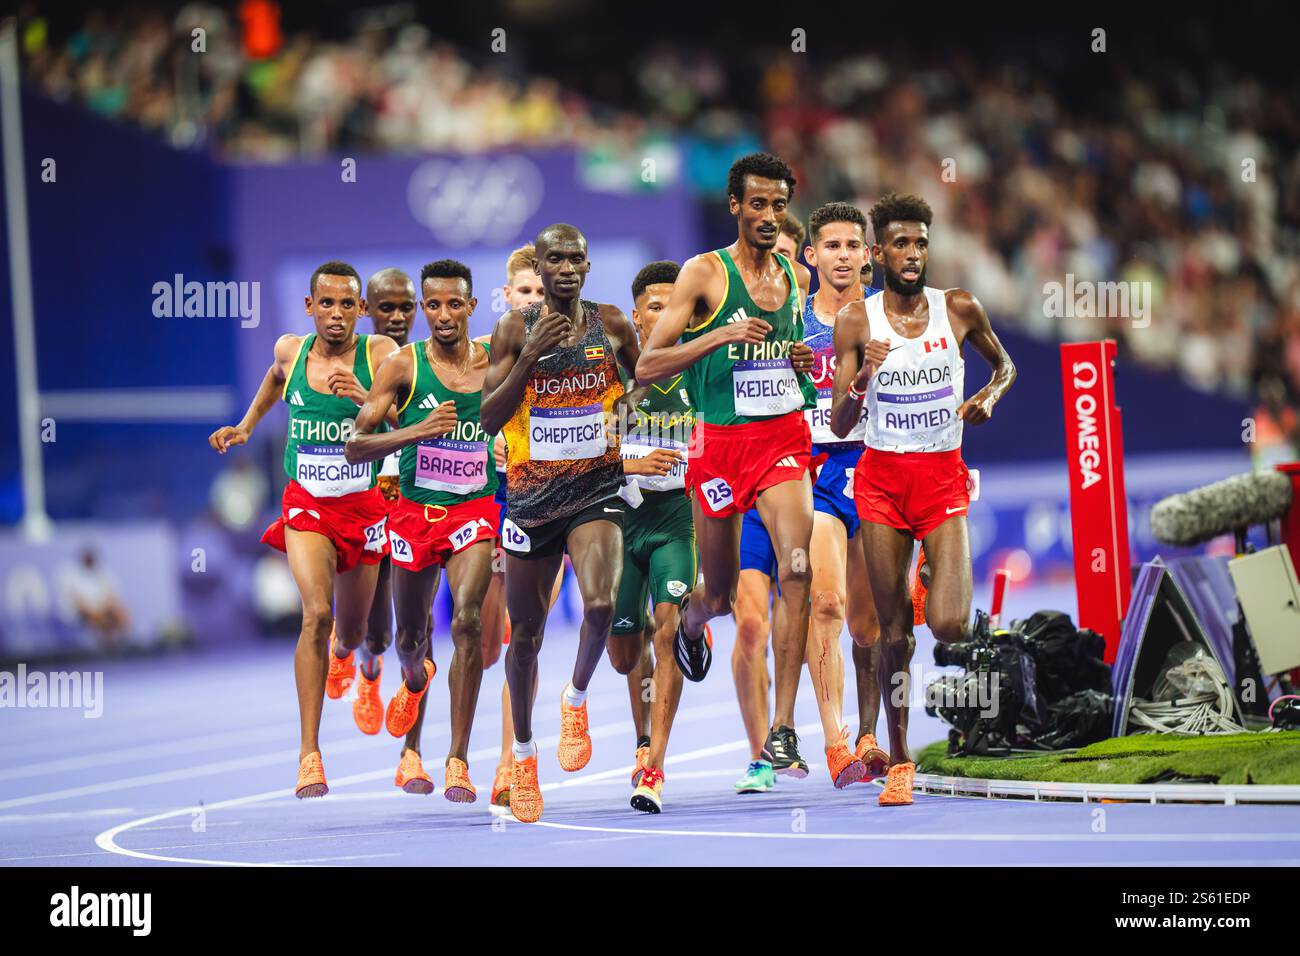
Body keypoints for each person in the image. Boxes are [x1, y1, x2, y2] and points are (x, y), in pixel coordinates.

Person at [830, 193, 1017, 805]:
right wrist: (862, 376)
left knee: (947, 624)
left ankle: (933, 575)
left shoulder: (958, 308)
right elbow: (837, 423)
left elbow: (1006, 366)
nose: (914, 254)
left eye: (922, 243)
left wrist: (988, 397)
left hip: (941, 479)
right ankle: (902, 757)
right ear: (878, 253)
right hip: (882, 480)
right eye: (902, 244)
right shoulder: (857, 322)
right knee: (892, 635)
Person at [637, 152, 818, 778]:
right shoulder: (702, 273)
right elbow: (647, 365)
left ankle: (785, 728)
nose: (769, 216)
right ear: (735, 205)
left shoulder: (794, 276)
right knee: (716, 596)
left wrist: (794, 359)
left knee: (797, 567)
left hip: (782, 440)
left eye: (779, 205)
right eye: (758, 204)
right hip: (720, 448)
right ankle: (691, 624)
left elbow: (783, 352)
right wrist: (719, 334)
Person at [209, 260, 396, 798]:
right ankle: (310, 753)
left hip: (362, 511)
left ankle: (344, 654)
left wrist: (365, 397)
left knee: (355, 633)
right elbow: (274, 380)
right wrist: (246, 427)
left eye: (347, 305)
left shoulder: (380, 356)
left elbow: (411, 426)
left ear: (362, 310)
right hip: (306, 505)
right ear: (309, 306)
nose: (336, 315)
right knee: (316, 612)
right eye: (326, 303)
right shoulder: (290, 352)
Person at [481, 223, 643, 823]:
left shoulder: (611, 323)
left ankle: (574, 699)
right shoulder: (510, 330)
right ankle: (523, 757)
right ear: (541, 267)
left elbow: (643, 377)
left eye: (577, 257)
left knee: (600, 606)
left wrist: (625, 408)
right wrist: (529, 356)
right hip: (529, 503)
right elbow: (490, 417)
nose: (567, 267)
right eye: (557, 259)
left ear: (587, 263)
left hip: (594, 490)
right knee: (524, 639)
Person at [608, 260, 695, 813]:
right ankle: (643, 731)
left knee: (665, 635)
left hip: (677, 524)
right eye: (656, 307)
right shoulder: (614, 380)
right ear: (638, 315)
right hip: (618, 527)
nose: (666, 316)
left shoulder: (700, 374)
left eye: (676, 306)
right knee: (624, 651)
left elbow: (721, 455)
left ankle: (653, 763)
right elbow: (584, 458)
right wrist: (633, 463)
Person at [729, 211, 803, 793]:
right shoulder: (718, 286)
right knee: (751, 623)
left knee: (814, 599)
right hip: (735, 476)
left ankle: (797, 730)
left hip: (796, 472)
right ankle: (760, 754)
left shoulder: (811, 307)